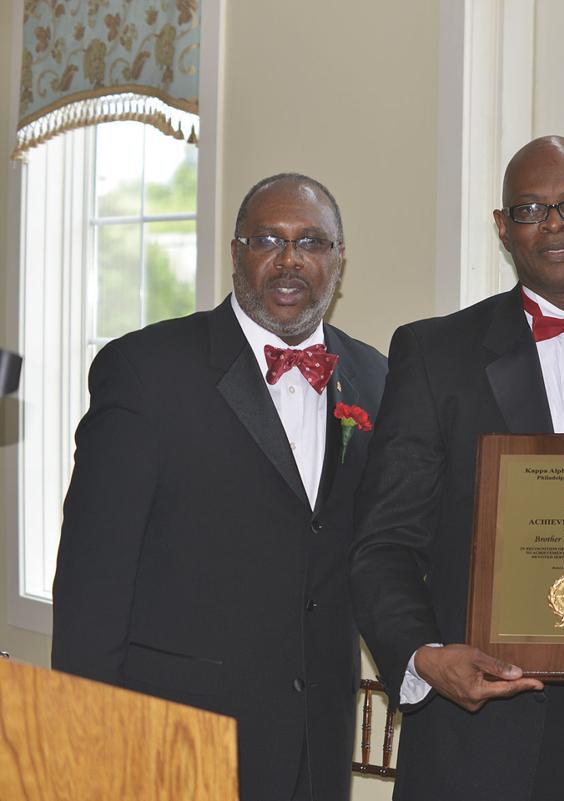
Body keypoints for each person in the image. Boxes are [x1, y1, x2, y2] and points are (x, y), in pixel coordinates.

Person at [350, 135, 564, 801]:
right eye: (531, 209)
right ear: (502, 228)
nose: (555, 223)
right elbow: (383, 544)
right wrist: (427, 659)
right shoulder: (433, 355)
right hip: (481, 741)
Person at [53, 173, 387, 801]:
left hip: (319, 739)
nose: (291, 261)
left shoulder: (375, 376)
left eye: (312, 242)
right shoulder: (145, 371)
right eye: (268, 239)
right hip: (177, 736)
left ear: (339, 261)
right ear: (237, 254)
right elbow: (91, 584)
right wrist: (89, 743)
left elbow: (382, 546)